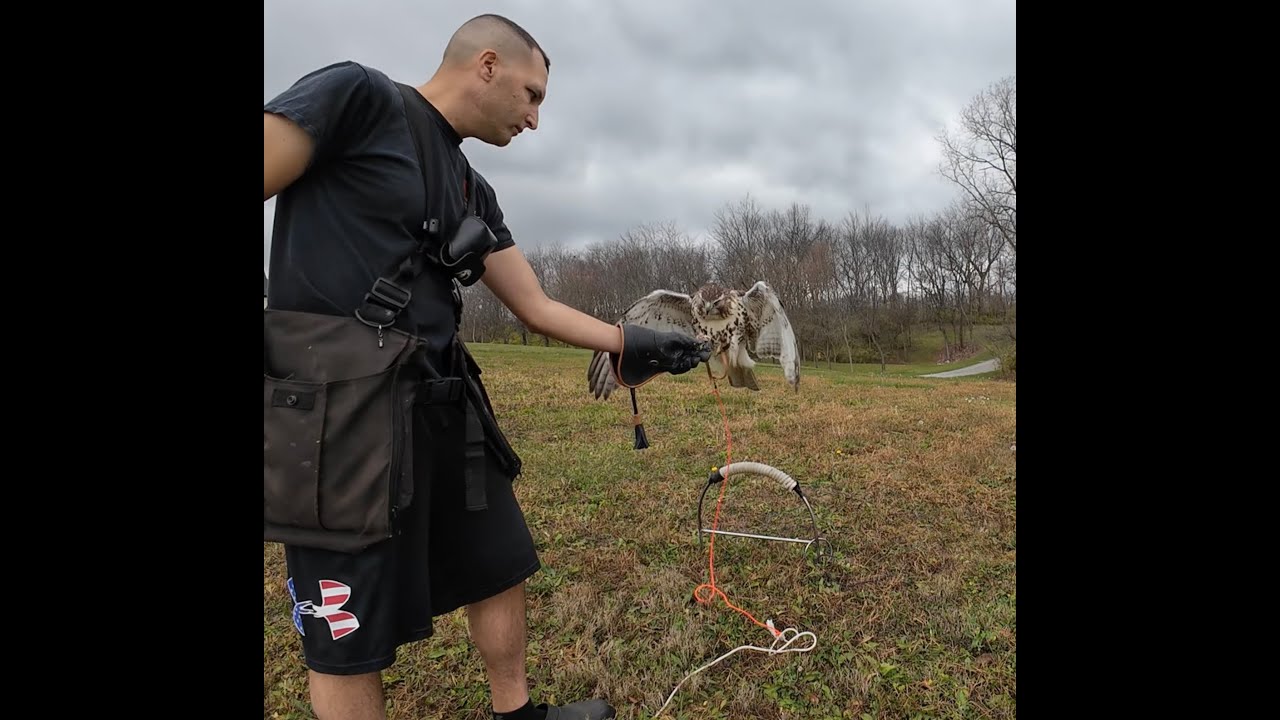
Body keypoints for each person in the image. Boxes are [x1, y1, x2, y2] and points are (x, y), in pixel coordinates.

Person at [264, 13, 710, 720]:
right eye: (532, 95)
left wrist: (632, 342)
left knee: (500, 562)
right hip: (340, 419)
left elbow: (533, 304)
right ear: (488, 65)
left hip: (442, 399)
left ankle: (517, 713)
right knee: (347, 629)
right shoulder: (356, 99)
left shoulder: (472, 188)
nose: (534, 119)